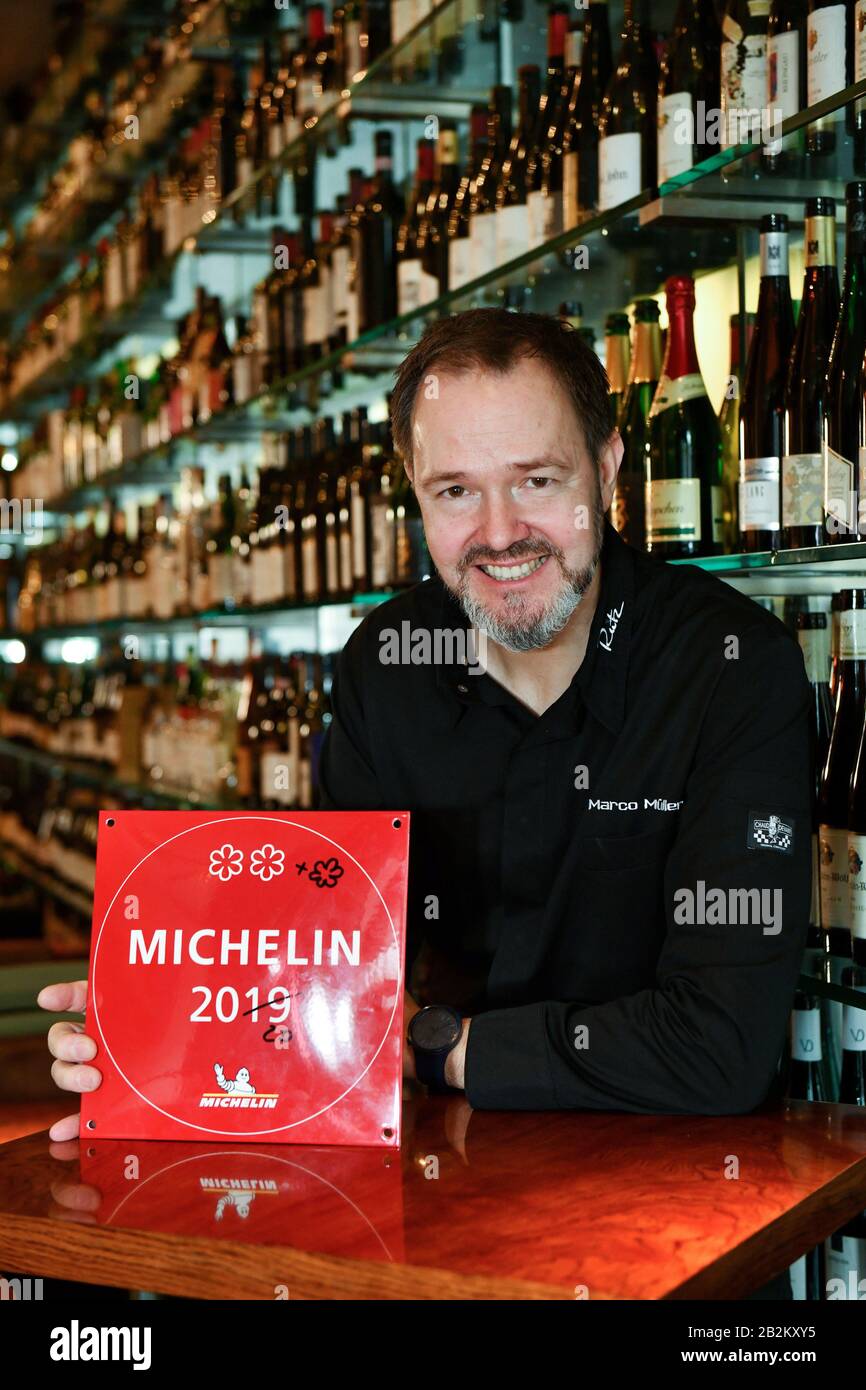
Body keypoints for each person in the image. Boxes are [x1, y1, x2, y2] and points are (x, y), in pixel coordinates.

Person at [40, 306, 811, 1126]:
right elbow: (321, 958)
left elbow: (720, 1047)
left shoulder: (732, 665)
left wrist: (443, 1047)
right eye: (456, 492)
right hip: (432, 1176)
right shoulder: (387, 662)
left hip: (679, 1192)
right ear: (416, 492)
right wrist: (160, 1039)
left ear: (608, 467)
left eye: (537, 481)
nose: (501, 533)